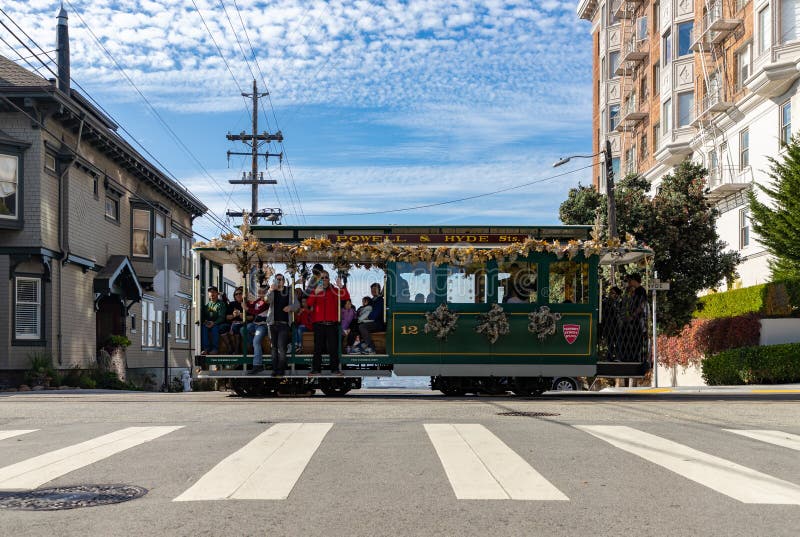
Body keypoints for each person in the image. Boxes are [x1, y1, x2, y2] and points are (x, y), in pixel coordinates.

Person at [306, 271, 350, 375]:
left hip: (332, 324)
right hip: (319, 324)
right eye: (322, 278)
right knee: (318, 348)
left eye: (326, 277)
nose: (324, 279)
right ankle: (316, 369)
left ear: (329, 279)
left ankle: (335, 369)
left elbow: (346, 297)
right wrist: (315, 293)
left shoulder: (334, 290)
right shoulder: (315, 290)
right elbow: (308, 304)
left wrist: (342, 287)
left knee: (333, 348)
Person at [265, 273, 298, 377]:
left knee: (281, 347)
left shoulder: (289, 291)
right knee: (273, 347)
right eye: (277, 279)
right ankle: (275, 370)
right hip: (272, 323)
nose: (279, 281)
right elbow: (267, 300)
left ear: (284, 281)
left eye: (280, 279)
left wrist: (290, 307)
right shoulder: (272, 291)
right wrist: (270, 290)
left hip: (284, 324)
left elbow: (297, 305)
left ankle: (281, 369)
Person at [621, 274, 647, 362]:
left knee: (636, 339)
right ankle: (629, 357)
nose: (629, 282)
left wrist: (633, 316)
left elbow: (642, 305)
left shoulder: (641, 290)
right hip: (632, 319)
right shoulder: (633, 291)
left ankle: (635, 357)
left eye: (630, 280)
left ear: (634, 280)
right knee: (629, 338)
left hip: (637, 319)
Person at [246, 287, 270, 372]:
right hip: (255, 324)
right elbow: (251, 306)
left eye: (262, 291)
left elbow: (257, 311)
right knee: (244, 330)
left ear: (266, 292)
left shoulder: (266, 302)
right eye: (259, 290)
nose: (260, 292)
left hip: (263, 325)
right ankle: (256, 348)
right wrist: (245, 299)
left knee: (256, 341)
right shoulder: (258, 300)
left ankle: (257, 365)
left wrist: (247, 308)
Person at [358, 283, 384, 354]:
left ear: (379, 290)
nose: (373, 291)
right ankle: (361, 344)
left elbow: (375, 314)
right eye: (372, 289)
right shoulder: (371, 300)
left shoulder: (380, 300)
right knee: (357, 324)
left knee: (362, 326)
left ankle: (371, 348)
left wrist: (366, 318)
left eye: (375, 289)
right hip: (371, 321)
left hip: (378, 323)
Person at [200, 286, 226, 355]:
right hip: (208, 324)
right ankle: (206, 349)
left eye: (214, 292)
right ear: (208, 294)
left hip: (218, 324)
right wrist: (206, 322)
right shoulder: (207, 305)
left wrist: (214, 323)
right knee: (203, 327)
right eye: (210, 292)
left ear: (217, 293)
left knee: (215, 328)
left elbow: (222, 317)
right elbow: (203, 317)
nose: (212, 294)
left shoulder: (221, 304)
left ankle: (215, 349)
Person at [601, 286, 623, 361]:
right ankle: (609, 357)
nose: (610, 294)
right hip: (609, 325)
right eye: (610, 293)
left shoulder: (620, 302)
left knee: (618, 342)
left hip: (617, 325)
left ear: (617, 294)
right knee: (609, 342)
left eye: (612, 293)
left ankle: (618, 357)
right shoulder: (606, 302)